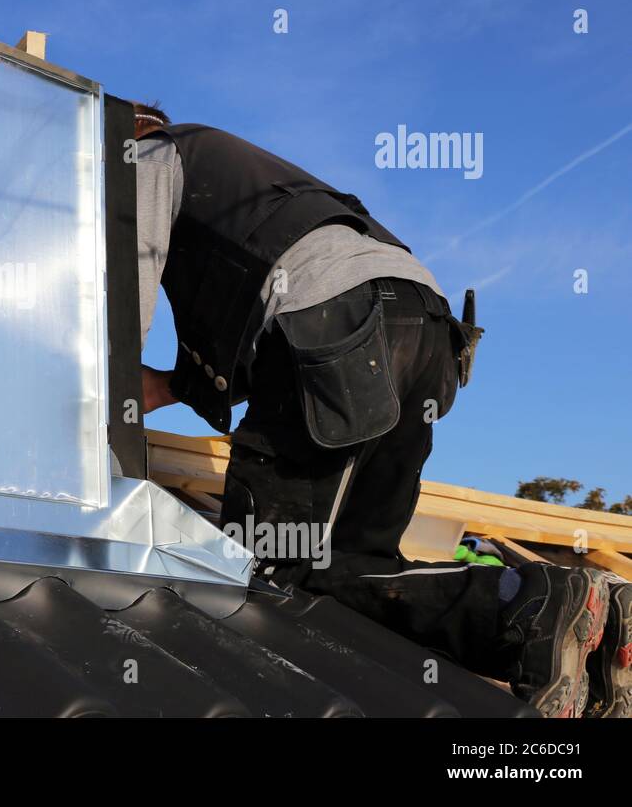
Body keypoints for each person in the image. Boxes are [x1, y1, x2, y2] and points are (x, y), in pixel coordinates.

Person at [132, 102, 630, 717]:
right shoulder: (255, 182)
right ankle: (588, 639)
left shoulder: (148, 154)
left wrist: (92, 386)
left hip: (334, 327)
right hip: (420, 329)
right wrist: (167, 386)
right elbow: (250, 339)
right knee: (358, 569)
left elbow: (126, 282)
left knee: (269, 570)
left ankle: (532, 601)